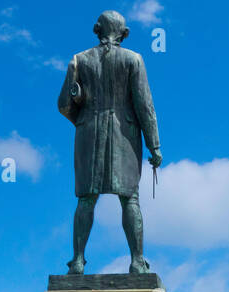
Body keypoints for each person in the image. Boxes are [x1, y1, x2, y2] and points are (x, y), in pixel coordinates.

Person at [59, 9, 163, 275]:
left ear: (97, 29)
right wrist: (154, 146)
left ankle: (78, 260)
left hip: (88, 133)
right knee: (129, 198)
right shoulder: (133, 59)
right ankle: (137, 261)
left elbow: (64, 106)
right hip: (124, 134)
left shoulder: (79, 60)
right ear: (124, 33)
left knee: (86, 199)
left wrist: (82, 121)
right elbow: (144, 105)